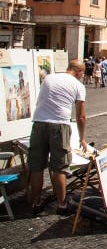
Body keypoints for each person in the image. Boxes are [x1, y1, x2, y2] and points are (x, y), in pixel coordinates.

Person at [29, 60, 88, 215]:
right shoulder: (78, 86)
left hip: (39, 123)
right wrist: (82, 138)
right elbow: (81, 116)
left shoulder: (49, 78)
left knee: (36, 167)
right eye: (83, 73)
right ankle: (62, 205)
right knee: (59, 168)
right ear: (79, 72)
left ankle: (35, 203)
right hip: (59, 125)